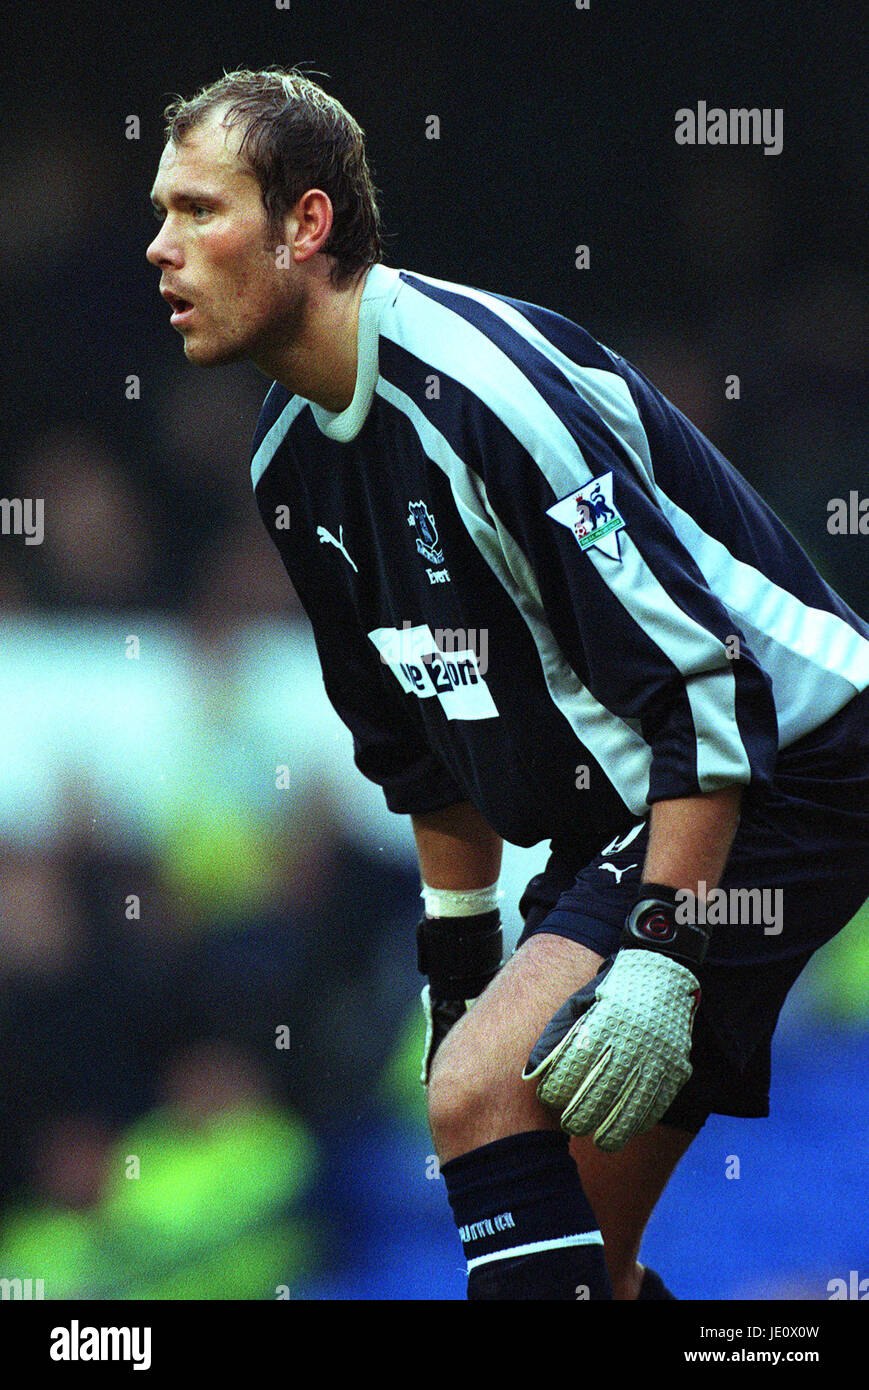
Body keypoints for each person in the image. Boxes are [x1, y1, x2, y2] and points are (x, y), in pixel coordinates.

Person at [146, 67, 869, 1300]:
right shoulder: (287, 466)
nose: (159, 248)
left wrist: (655, 951)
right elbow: (429, 748)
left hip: (781, 756)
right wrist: (459, 970)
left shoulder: (483, 392)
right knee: (584, 1240)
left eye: (197, 210)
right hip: (647, 804)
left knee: (480, 1094)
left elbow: (702, 673)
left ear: (305, 225)